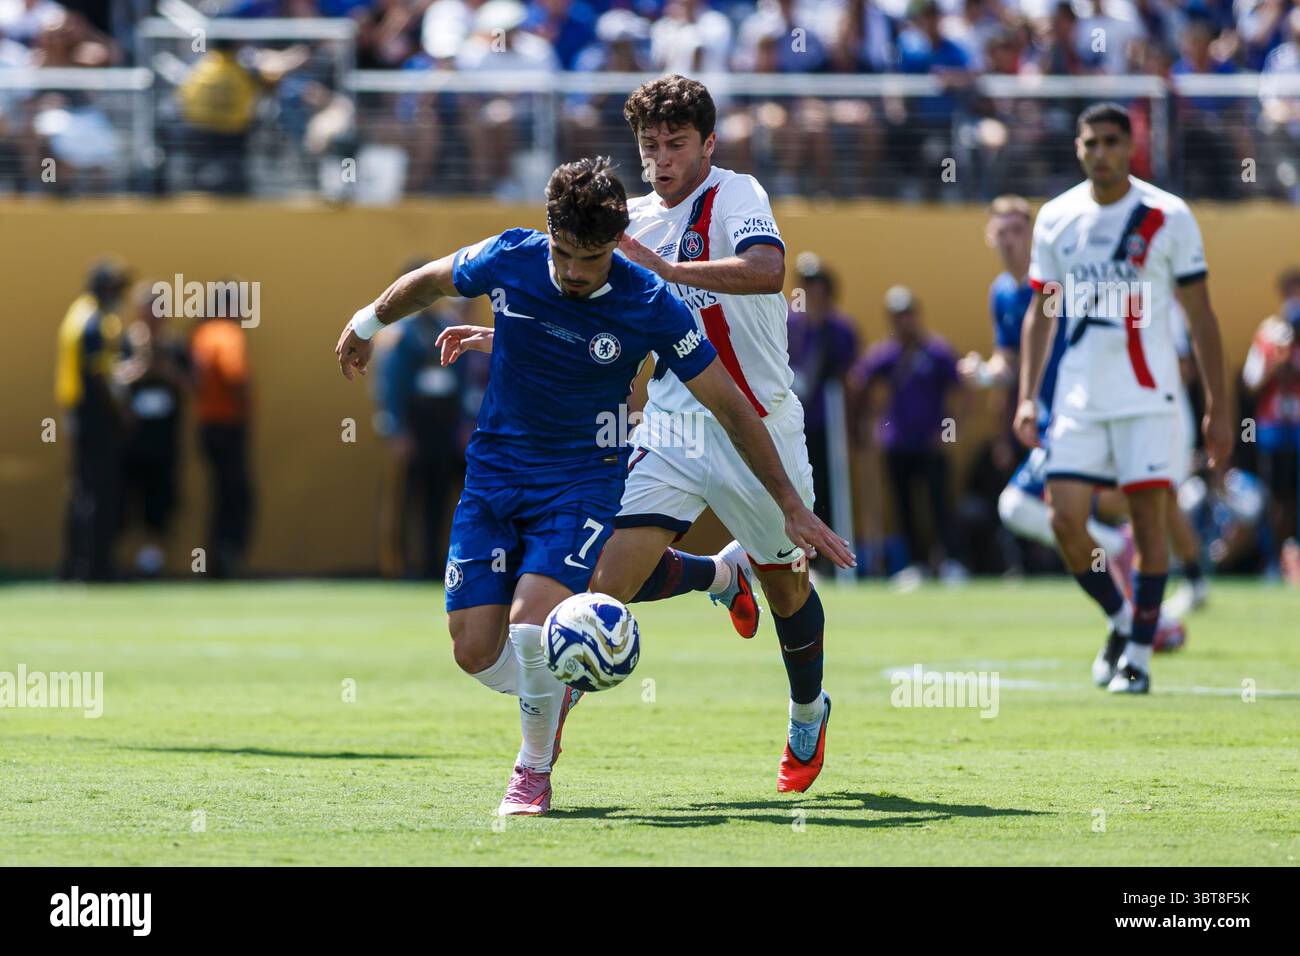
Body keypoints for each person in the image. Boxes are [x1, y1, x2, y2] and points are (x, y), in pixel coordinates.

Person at [333, 156, 846, 816]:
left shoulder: (648, 300)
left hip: (581, 480)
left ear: (615, 247)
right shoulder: (510, 256)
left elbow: (729, 403)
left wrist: (790, 504)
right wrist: (370, 321)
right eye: (566, 254)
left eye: (593, 259)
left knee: (532, 629)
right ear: (548, 234)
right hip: (493, 477)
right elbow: (432, 280)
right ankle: (709, 585)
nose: (576, 272)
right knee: (473, 650)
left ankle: (532, 772)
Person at [585, 75, 856, 795]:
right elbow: (598, 323)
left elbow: (769, 272)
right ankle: (716, 573)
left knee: (787, 589)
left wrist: (669, 271)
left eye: (677, 143)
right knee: (607, 584)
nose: (663, 158)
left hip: (761, 420)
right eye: (651, 146)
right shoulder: (631, 223)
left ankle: (807, 709)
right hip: (674, 422)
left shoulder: (737, 194)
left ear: (709, 143)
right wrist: (502, 337)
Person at [1015, 102, 1231, 695]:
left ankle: (1137, 653)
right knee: (1062, 518)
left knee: (1149, 523)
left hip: (1148, 397)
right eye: (1092, 143)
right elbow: (1043, 310)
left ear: (1131, 146)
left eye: (1113, 141)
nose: (1102, 152)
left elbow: (1203, 316)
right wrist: (1028, 396)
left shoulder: (1168, 215)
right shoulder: (1056, 217)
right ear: (1078, 149)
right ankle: (1123, 617)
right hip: (1079, 398)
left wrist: (1219, 404)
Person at [852, 285, 968, 583]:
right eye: (897, 316)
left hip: (931, 445)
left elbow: (961, 392)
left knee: (939, 504)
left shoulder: (937, 352)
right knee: (904, 506)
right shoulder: (886, 355)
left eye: (907, 315)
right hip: (898, 445)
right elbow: (859, 384)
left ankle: (949, 561)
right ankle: (915, 563)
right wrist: (867, 426)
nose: (904, 322)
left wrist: (951, 430)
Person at [55, 259, 130, 581]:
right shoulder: (92, 321)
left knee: (84, 491)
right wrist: (121, 410)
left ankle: (78, 566)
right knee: (98, 492)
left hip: (82, 413)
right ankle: (95, 568)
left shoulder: (81, 313)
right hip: (94, 416)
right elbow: (99, 377)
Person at [119, 285, 191, 577]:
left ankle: (152, 562)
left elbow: (191, 385)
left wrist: (167, 372)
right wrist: (137, 371)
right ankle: (111, 560)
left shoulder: (174, 345)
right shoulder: (125, 342)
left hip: (164, 439)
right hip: (131, 439)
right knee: (123, 499)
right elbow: (112, 380)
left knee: (160, 501)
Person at [1241, 266, 1300, 567]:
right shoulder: (1269, 334)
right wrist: (1277, 365)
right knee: (1275, 496)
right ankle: (1274, 562)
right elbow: (1250, 383)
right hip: (1273, 429)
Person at [192, 302, 254, 578]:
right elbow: (235, 375)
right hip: (228, 424)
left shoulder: (202, 333)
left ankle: (215, 559)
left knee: (220, 494)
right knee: (235, 495)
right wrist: (244, 408)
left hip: (207, 424)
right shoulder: (227, 334)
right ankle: (226, 560)